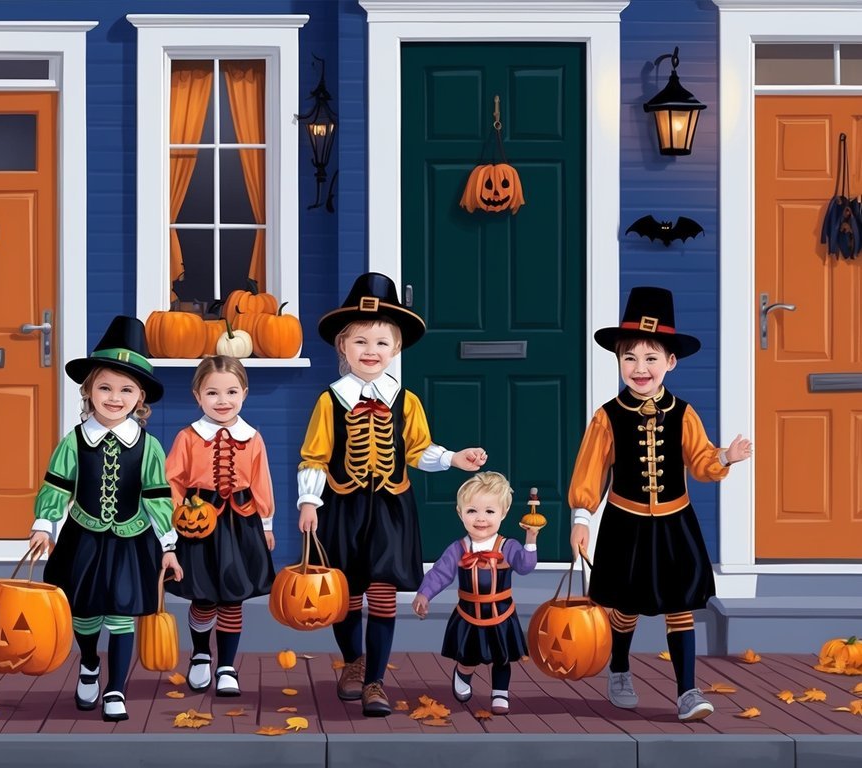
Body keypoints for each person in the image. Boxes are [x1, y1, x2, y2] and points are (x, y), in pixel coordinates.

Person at [298, 272, 488, 717]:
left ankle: (375, 680)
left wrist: (454, 458)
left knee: (382, 593)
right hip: (342, 506)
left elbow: (419, 450)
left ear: (396, 349)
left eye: (381, 343)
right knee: (344, 593)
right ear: (343, 347)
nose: (371, 351)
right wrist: (310, 500)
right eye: (360, 342)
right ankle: (352, 662)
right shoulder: (331, 401)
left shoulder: (407, 401)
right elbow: (314, 456)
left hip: (390, 509)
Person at [567, 286, 752, 722]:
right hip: (625, 525)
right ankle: (619, 669)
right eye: (629, 358)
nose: (640, 368)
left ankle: (687, 690)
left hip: (674, 525)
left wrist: (725, 456)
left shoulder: (684, 413)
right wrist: (581, 517)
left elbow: (702, 461)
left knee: (678, 605)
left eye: (651, 358)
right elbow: (590, 470)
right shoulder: (606, 416)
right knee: (625, 604)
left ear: (671, 362)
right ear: (618, 362)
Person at [27, 315, 183, 722]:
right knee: (84, 612)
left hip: (132, 538)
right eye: (105, 388)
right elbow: (58, 485)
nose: (115, 397)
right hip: (84, 536)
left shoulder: (148, 446)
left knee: (120, 613)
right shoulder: (74, 441)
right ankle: (89, 663)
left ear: (140, 397)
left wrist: (168, 545)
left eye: (126, 390)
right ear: (88, 391)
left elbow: (158, 496)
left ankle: (116, 688)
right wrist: (46, 524)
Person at [166, 355, 275, 697]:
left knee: (232, 597)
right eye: (212, 393)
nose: (223, 401)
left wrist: (267, 522)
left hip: (241, 523)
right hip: (198, 523)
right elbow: (173, 480)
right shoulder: (188, 437)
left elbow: (261, 481)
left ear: (244, 392)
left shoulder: (253, 437)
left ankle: (226, 665)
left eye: (231, 392)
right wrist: (177, 514)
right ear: (197, 395)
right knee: (203, 596)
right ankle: (200, 654)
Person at [412, 472, 538, 715]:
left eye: (489, 512)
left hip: (501, 614)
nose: (481, 519)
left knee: (502, 657)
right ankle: (463, 673)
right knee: (469, 655)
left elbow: (525, 566)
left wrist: (530, 539)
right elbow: (440, 573)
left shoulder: (507, 546)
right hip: (469, 614)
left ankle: (500, 692)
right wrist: (424, 594)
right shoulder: (458, 549)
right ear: (460, 514)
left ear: (504, 513)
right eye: (472, 511)